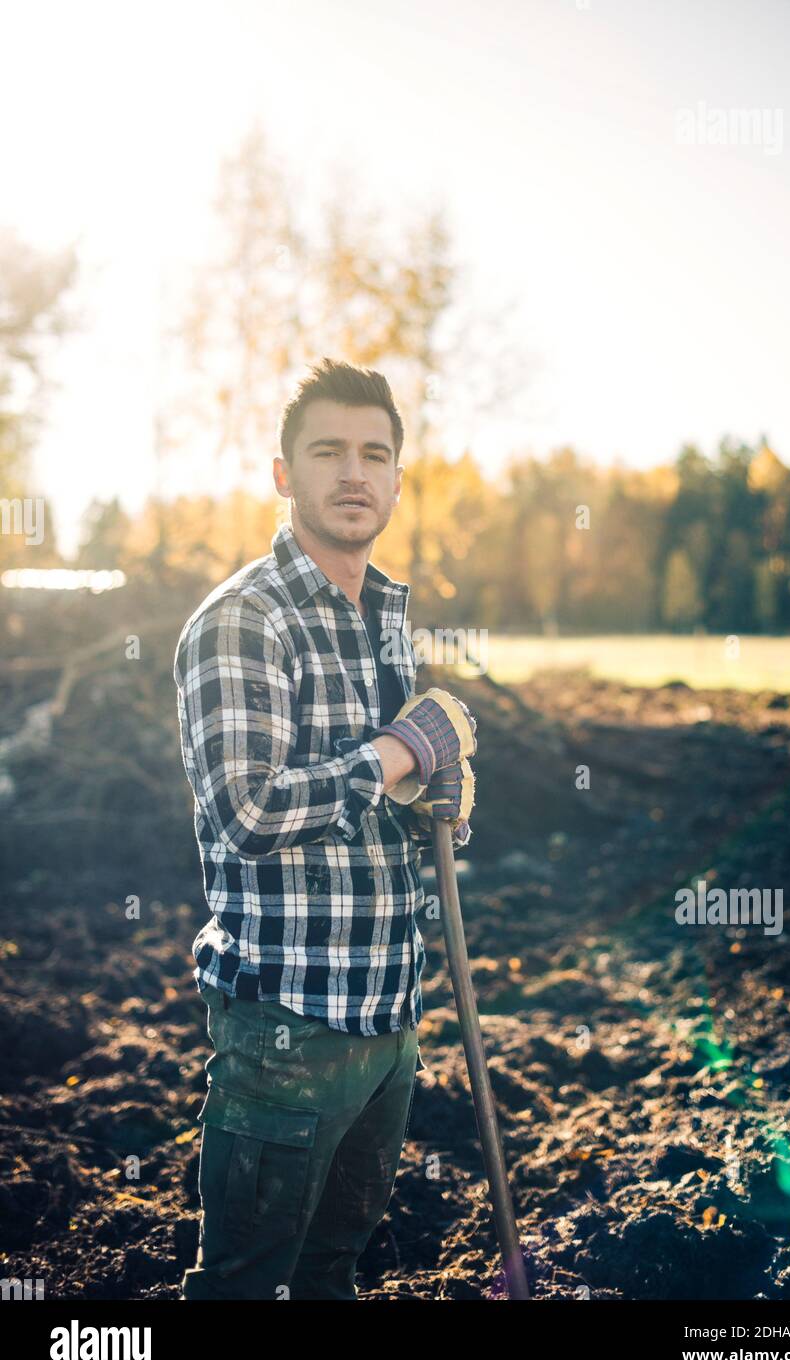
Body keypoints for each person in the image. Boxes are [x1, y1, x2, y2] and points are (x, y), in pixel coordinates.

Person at [173, 357, 477, 1299]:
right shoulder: (243, 622)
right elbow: (249, 809)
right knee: (245, 1286)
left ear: (396, 478)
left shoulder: (383, 616)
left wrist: (438, 792)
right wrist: (395, 752)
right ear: (282, 474)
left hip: (388, 1018)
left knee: (328, 1277)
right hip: (288, 1029)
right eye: (329, 452)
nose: (354, 473)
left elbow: (383, 791)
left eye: (374, 455)